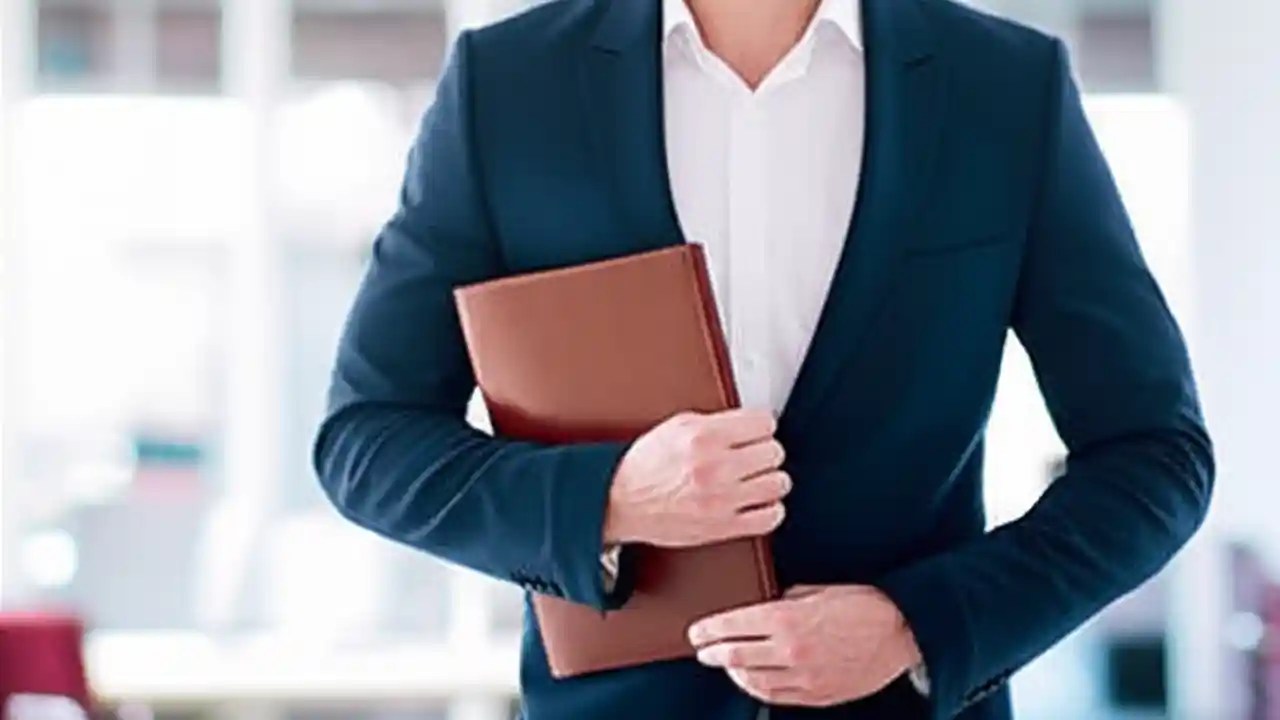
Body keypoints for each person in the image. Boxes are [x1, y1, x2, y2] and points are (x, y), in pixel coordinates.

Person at [313, 0, 1215, 717]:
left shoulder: (1004, 89)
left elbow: (1154, 456)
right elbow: (367, 439)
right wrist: (612, 498)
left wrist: (919, 624)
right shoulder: (510, 85)